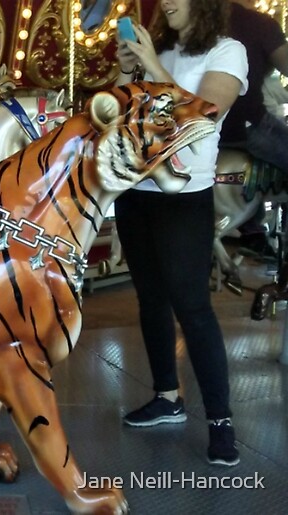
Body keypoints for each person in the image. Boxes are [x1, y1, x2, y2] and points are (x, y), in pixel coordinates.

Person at [114, 0, 248, 467]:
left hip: (185, 194)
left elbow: (202, 115)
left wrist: (151, 64)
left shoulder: (227, 52)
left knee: (192, 306)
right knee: (150, 298)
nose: (166, 1)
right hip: (138, 188)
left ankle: (220, 421)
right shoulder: (162, 50)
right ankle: (167, 397)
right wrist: (126, 71)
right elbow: (116, 115)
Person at [219, 0, 288, 256]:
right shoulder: (259, 24)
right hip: (247, 124)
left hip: (211, 128)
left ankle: (252, 229)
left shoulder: (203, 22)